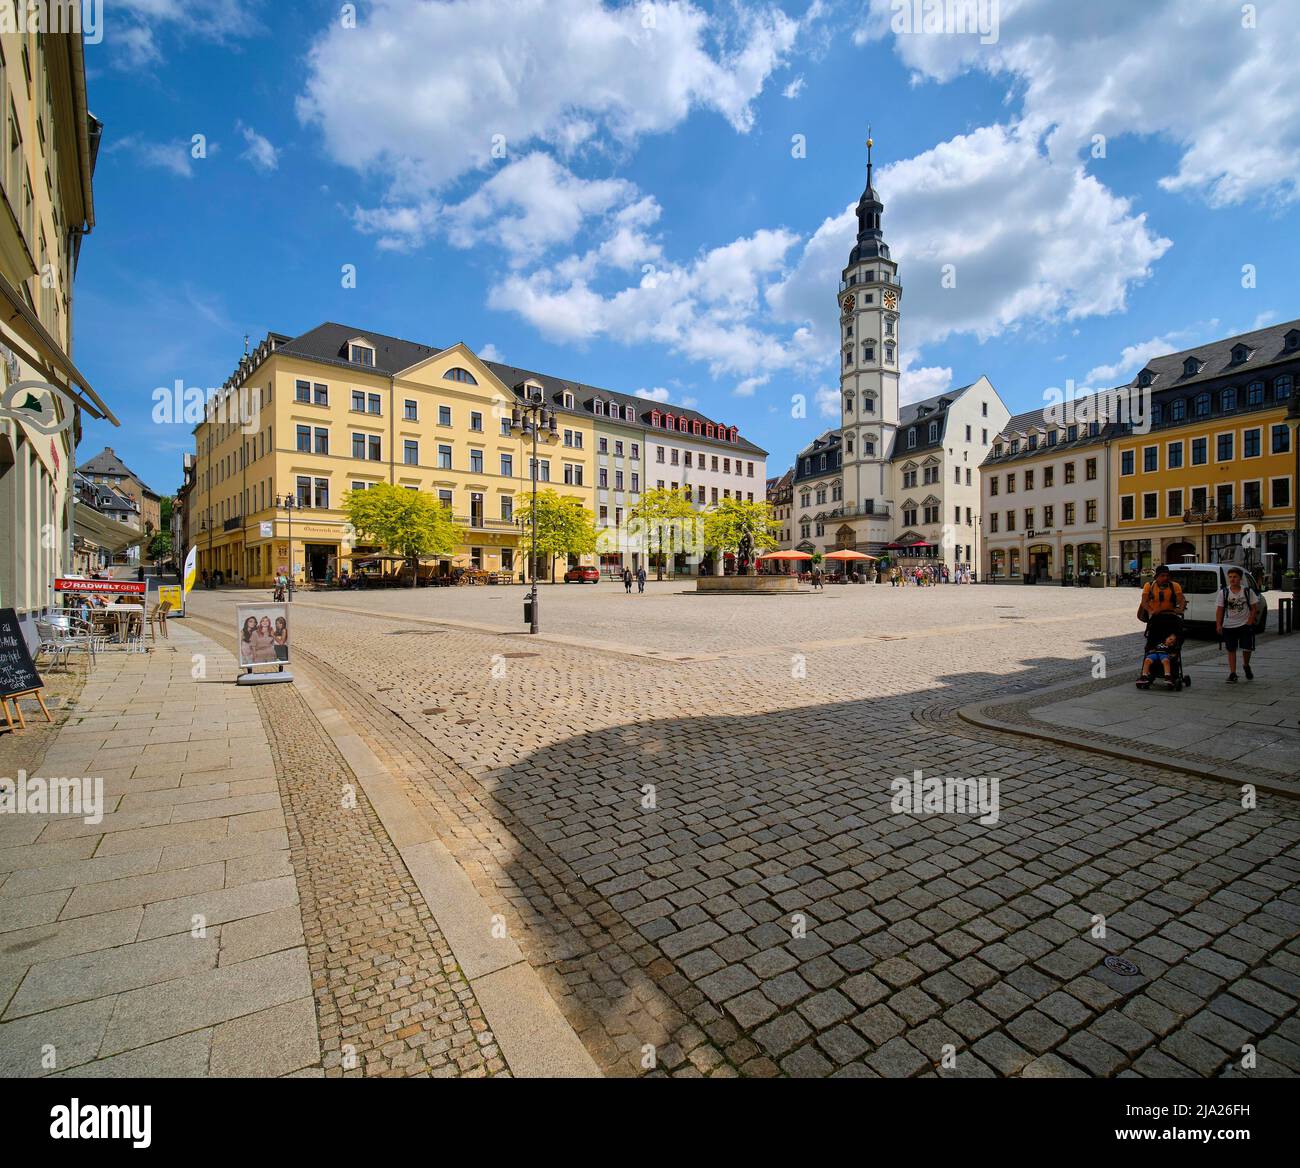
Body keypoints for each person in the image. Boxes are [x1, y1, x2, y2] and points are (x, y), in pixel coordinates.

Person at [1216, 567, 1259, 683]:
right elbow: (1220, 609)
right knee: (1231, 649)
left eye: (1235, 577)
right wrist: (1218, 624)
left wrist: (1249, 622)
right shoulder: (1223, 592)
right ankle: (1233, 673)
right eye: (1230, 577)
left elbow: (1254, 608)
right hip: (1229, 625)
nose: (1232, 579)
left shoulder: (1247, 591)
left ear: (1240, 578)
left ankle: (1246, 664)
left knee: (1247, 648)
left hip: (1244, 624)